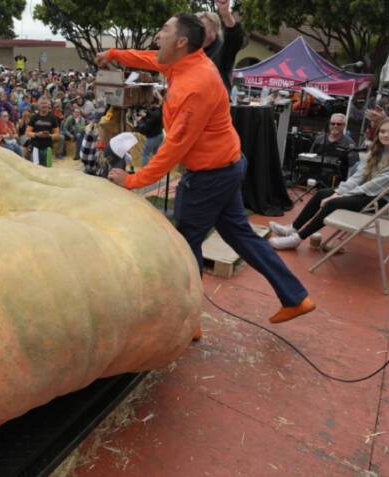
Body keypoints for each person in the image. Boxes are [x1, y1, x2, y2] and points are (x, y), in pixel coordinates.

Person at [96, 12, 315, 325]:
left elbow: (173, 148)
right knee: (241, 234)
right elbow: (148, 58)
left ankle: (189, 323)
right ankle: (296, 297)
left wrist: (132, 181)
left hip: (211, 176)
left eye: (164, 30)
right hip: (226, 165)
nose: (158, 35)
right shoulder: (184, 62)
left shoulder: (194, 85)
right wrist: (114, 54)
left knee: (185, 243)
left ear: (181, 42)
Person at [269, 117, 389, 249]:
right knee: (322, 194)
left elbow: (374, 186)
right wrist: (338, 192)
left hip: (381, 200)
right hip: (367, 194)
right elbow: (358, 177)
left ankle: (297, 239)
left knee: (332, 203)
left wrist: (338, 197)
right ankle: (293, 228)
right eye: (383, 131)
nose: (386, 135)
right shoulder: (377, 150)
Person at [197, 0, 244, 92]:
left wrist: (225, 14)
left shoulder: (222, 51)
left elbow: (234, 38)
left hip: (214, 105)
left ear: (215, 30)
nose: (197, 31)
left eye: (202, 27)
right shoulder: (192, 51)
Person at [309, 113, 358, 180]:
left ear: (344, 126)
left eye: (339, 124)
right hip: (315, 178)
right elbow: (310, 157)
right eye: (333, 124)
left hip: (336, 182)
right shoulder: (319, 139)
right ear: (329, 125)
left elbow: (353, 166)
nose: (335, 126)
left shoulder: (350, 143)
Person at [25, 97, 60, 167]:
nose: (44, 105)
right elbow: (27, 132)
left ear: (48, 105)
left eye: (45, 103)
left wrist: (49, 135)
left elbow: (57, 134)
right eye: (42, 104)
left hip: (47, 147)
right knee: (36, 167)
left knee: (47, 168)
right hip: (35, 147)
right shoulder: (34, 117)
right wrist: (36, 134)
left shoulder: (52, 118)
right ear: (38, 106)